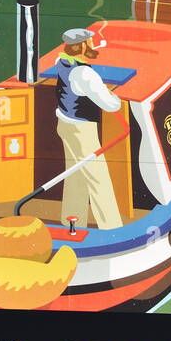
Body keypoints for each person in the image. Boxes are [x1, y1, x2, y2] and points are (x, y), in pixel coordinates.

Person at [55, 28, 123, 230]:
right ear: (81, 46)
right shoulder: (84, 73)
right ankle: (112, 228)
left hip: (65, 124)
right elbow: (111, 105)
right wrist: (115, 97)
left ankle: (71, 221)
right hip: (82, 130)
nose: (93, 45)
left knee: (75, 174)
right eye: (90, 42)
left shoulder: (61, 62)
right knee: (98, 178)